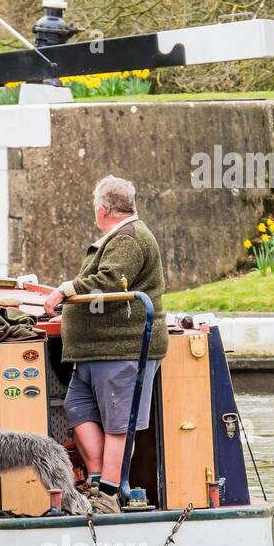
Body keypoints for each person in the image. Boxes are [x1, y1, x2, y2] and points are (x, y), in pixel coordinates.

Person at [43, 176, 168, 514]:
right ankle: (98, 483)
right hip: (95, 352)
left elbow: (109, 281)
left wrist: (65, 289)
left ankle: (109, 496)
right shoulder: (119, 236)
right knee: (77, 408)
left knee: (118, 424)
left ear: (102, 209)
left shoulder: (130, 238)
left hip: (122, 349)